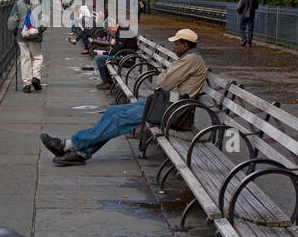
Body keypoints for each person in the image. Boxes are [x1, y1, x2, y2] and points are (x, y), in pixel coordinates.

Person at [41, 28, 207, 165]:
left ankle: (69, 145)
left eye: (176, 44)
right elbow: (165, 80)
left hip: (172, 110)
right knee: (113, 112)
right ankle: (81, 153)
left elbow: (163, 82)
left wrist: (166, 73)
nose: (174, 47)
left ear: (185, 45)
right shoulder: (188, 58)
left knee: (119, 119)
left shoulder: (190, 60)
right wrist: (167, 74)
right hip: (165, 103)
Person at [7, 0, 46, 92]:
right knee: (37, 57)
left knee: (25, 59)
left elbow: (12, 20)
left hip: (21, 33)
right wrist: (39, 30)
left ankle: (27, 84)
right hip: (35, 34)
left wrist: (14, 31)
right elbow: (45, 20)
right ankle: (36, 78)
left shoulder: (18, 3)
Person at [94, 24, 138, 88]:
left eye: (110, 29)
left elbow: (116, 50)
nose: (110, 31)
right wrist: (112, 45)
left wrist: (104, 53)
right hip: (123, 56)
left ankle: (108, 82)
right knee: (101, 58)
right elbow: (118, 48)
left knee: (99, 59)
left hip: (127, 59)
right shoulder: (121, 30)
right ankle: (107, 81)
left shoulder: (123, 31)